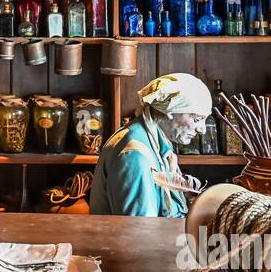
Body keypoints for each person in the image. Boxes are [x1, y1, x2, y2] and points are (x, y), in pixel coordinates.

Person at [89, 72, 212, 217]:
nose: (202, 130)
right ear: (171, 111)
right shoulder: (135, 155)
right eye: (197, 119)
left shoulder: (157, 144)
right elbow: (139, 232)